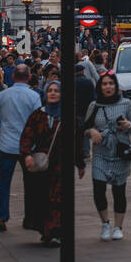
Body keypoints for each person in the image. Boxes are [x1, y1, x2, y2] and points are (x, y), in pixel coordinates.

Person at [19, 80, 86, 245]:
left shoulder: (68, 115)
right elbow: (27, 135)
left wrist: (80, 162)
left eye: (57, 90)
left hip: (62, 163)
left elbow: (76, 140)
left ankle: (56, 231)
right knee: (42, 198)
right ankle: (46, 230)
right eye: (50, 90)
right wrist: (26, 154)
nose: (53, 93)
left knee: (58, 198)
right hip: (43, 163)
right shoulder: (38, 115)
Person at [84, 72, 131, 241]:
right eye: (104, 84)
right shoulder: (94, 105)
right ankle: (105, 223)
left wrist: (128, 125)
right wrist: (91, 131)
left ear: (116, 86)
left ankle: (118, 226)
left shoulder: (126, 103)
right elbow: (85, 128)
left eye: (111, 84)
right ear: (100, 87)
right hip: (100, 153)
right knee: (98, 189)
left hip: (120, 153)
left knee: (119, 191)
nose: (108, 87)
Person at [0, 62, 42, 232]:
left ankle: (0, 217)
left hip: (6, 144)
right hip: (28, 146)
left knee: (3, 182)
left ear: (12, 77)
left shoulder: (3, 95)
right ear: (29, 77)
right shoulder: (34, 97)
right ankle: (31, 217)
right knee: (31, 183)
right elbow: (38, 123)